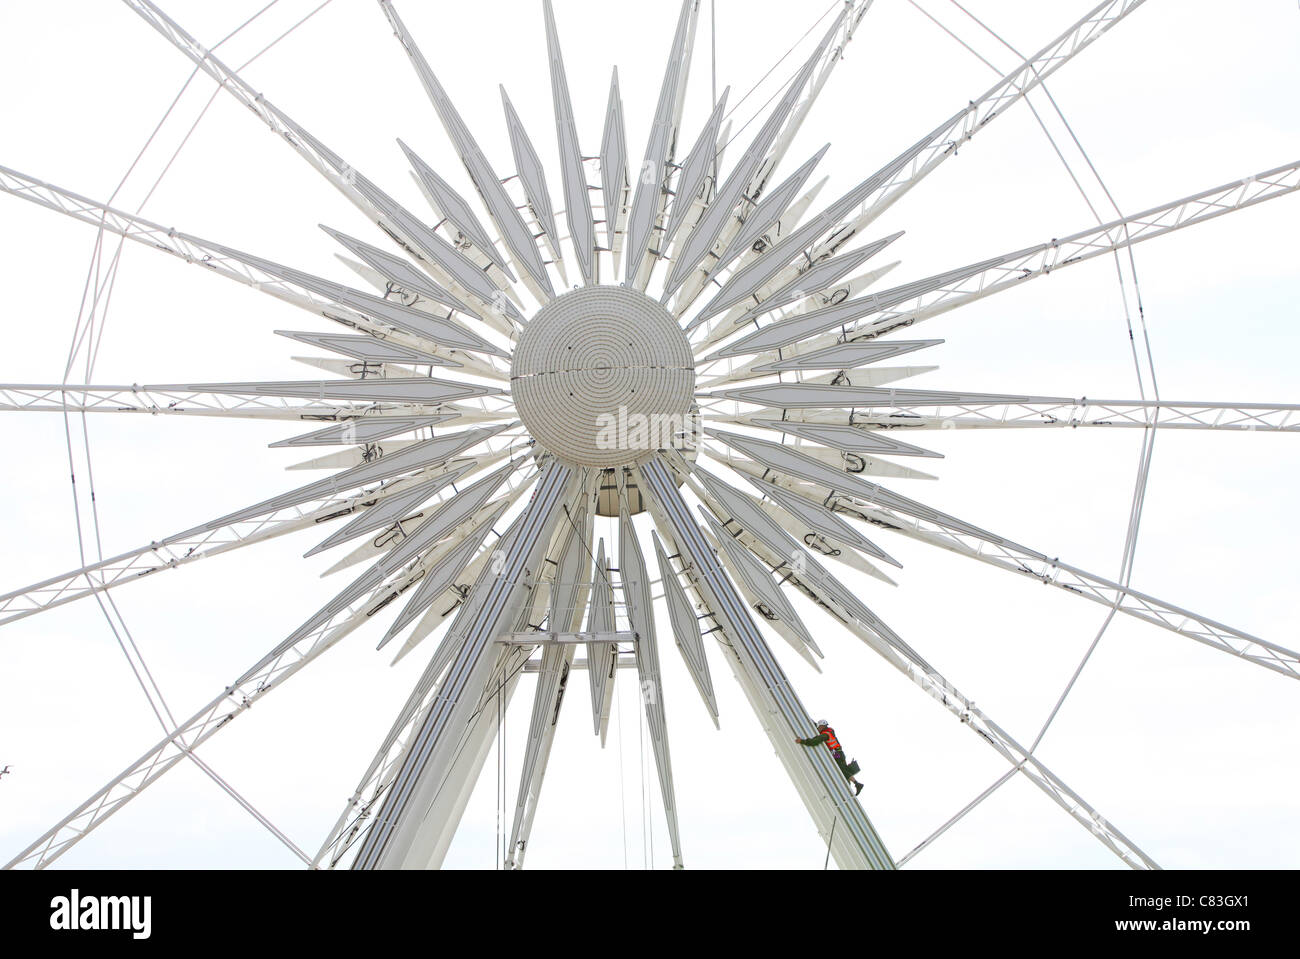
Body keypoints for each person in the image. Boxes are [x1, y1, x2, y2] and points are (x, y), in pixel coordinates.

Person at [795, 720, 864, 796]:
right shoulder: (830, 731)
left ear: (822, 726)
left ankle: (857, 784)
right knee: (844, 770)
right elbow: (817, 726)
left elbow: (814, 742)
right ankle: (852, 787)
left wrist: (802, 741)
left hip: (837, 754)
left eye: (818, 727)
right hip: (840, 753)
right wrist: (811, 721)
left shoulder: (825, 735)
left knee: (841, 770)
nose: (817, 729)